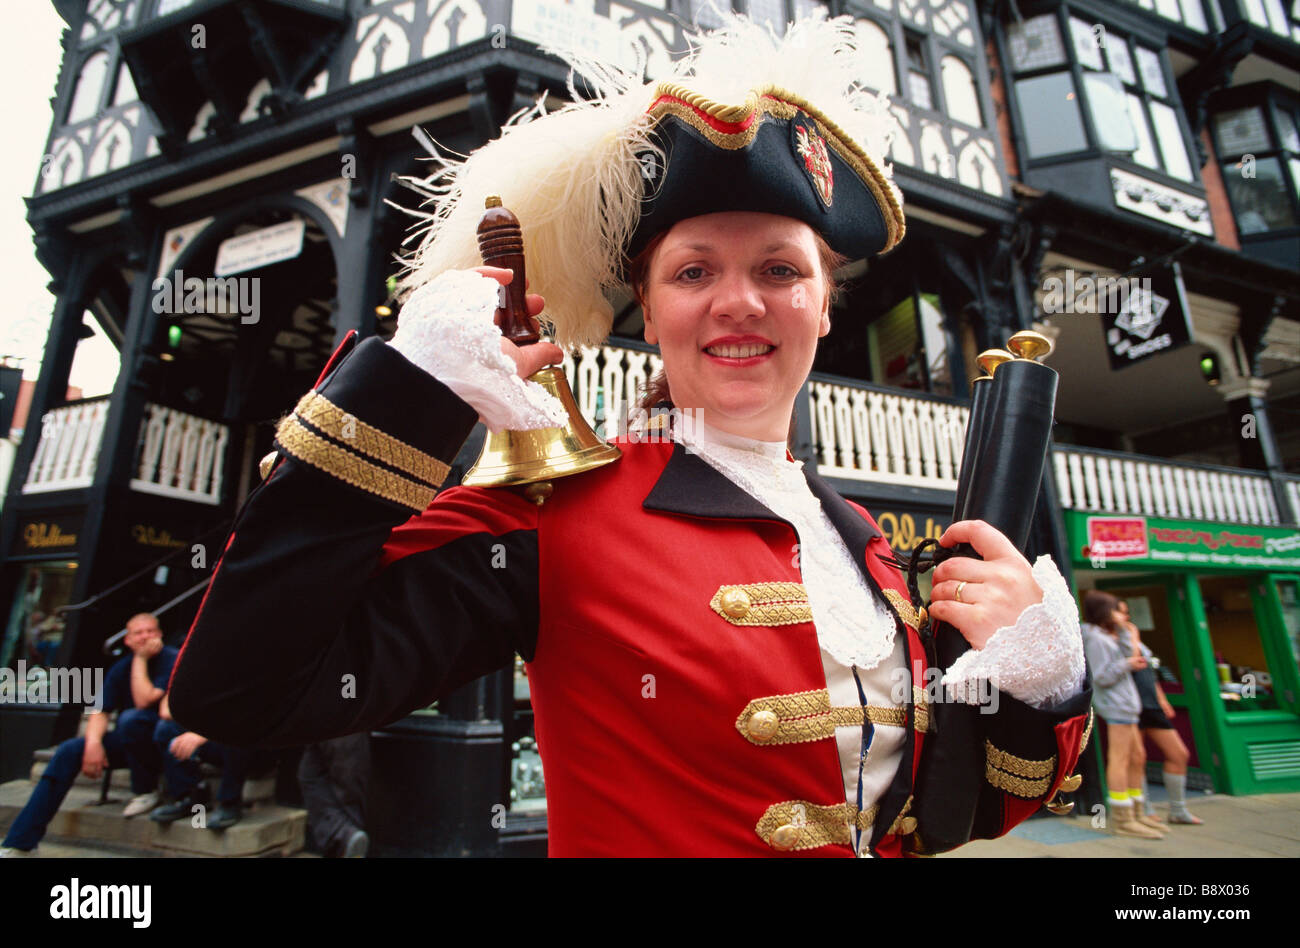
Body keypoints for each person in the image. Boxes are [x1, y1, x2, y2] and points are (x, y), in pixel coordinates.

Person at [169, 13, 1092, 857]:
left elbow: (961, 812)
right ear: (648, 312)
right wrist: (409, 393)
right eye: (694, 272)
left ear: (822, 309)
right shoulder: (551, 516)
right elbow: (243, 691)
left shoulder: (870, 550)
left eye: (780, 268)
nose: (740, 301)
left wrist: (1041, 677)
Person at [1, 613, 177, 855]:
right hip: (130, 743)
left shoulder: (172, 659)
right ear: (127, 639)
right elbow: (99, 710)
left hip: (165, 743)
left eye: (151, 631)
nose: (145, 636)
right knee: (69, 751)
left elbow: (144, 699)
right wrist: (93, 744)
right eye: (138, 632)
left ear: (160, 634)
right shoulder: (120, 668)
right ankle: (21, 843)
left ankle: (145, 790)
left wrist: (140, 659)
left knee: (131, 719)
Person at [1080, 590, 1162, 840]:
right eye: (1117, 609)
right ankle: (1123, 818)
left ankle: (1138, 812)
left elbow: (1130, 654)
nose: (1122, 614)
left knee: (1137, 757)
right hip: (1116, 705)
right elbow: (1101, 676)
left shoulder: (1107, 635)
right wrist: (1127, 665)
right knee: (1120, 759)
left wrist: (1126, 631)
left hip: (1127, 704)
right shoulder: (1095, 638)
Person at [1119, 601, 1202, 826]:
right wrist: (1133, 635)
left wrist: (1162, 698)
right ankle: (1143, 808)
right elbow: (1134, 661)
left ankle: (1178, 808)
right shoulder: (1112, 639)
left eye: (1127, 612)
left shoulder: (1132, 638)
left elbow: (1148, 670)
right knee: (1136, 758)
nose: (1125, 616)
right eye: (1120, 612)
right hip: (1130, 703)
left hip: (1151, 703)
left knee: (1178, 754)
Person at [147, 694, 261, 830]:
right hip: (213, 734)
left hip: (256, 743)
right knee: (165, 729)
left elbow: (248, 710)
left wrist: (203, 733)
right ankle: (191, 796)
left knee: (238, 728)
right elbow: (167, 710)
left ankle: (230, 801)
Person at [297, 734, 371, 858]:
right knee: (309, 775)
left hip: (346, 725)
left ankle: (345, 839)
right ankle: (343, 834)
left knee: (347, 796)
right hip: (319, 723)